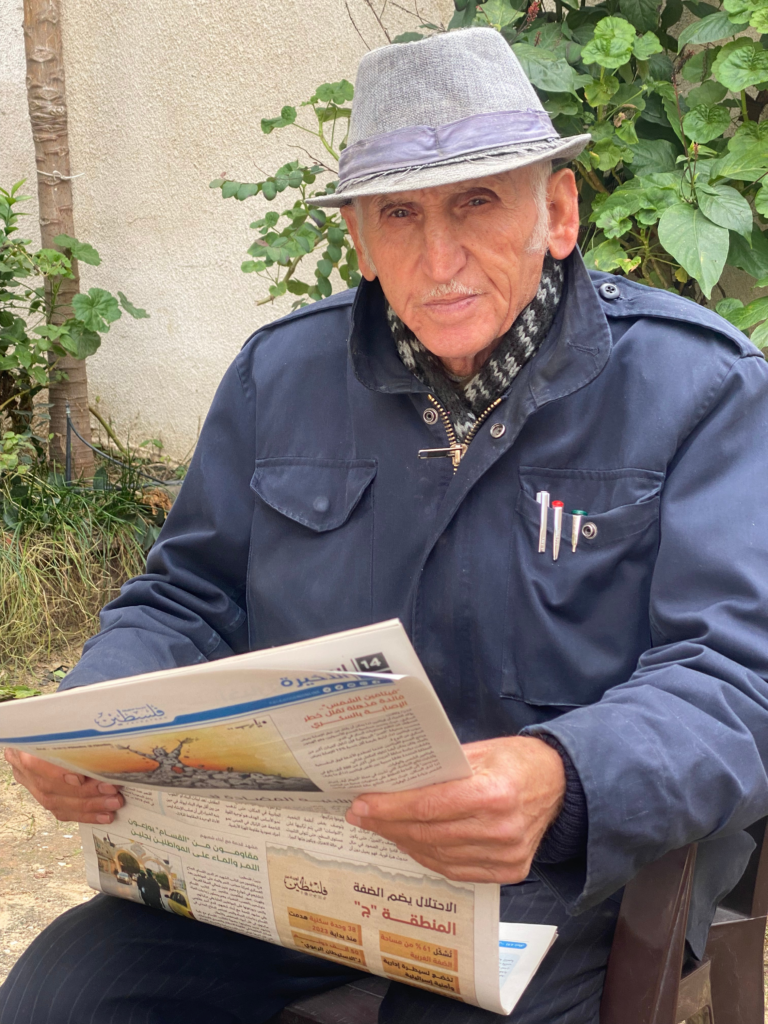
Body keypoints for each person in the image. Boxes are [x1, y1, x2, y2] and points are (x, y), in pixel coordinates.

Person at [3, 26, 768, 1024]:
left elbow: (735, 672)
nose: (438, 256)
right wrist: (96, 713)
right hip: (304, 852)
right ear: (358, 239)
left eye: (477, 203)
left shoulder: (698, 390)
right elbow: (188, 593)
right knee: (62, 995)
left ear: (560, 212)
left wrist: (563, 777)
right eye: (399, 214)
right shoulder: (278, 378)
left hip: (557, 868)